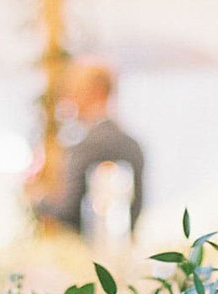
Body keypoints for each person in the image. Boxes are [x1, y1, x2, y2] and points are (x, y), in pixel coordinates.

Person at [26, 59, 144, 238]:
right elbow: (137, 207)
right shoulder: (133, 146)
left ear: (94, 92)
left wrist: (37, 198)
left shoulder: (85, 147)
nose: (69, 101)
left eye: (74, 92)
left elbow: (67, 210)